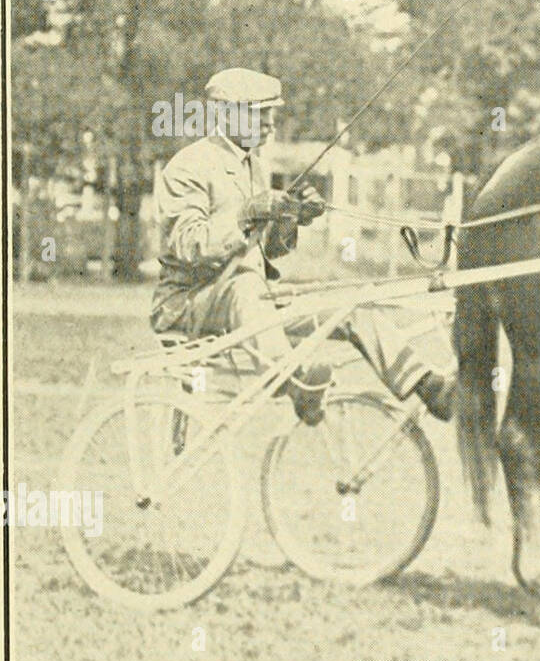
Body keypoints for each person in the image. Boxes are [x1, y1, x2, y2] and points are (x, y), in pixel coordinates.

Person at [150, 67, 456, 425]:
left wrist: (293, 215)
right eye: (258, 113)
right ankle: (294, 381)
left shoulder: (256, 167)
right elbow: (190, 246)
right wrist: (247, 212)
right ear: (225, 113)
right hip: (192, 302)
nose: (270, 124)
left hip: (254, 299)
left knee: (352, 303)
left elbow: (269, 250)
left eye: (272, 114)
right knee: (246, 287)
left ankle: (427, 385)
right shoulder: (190, 166)